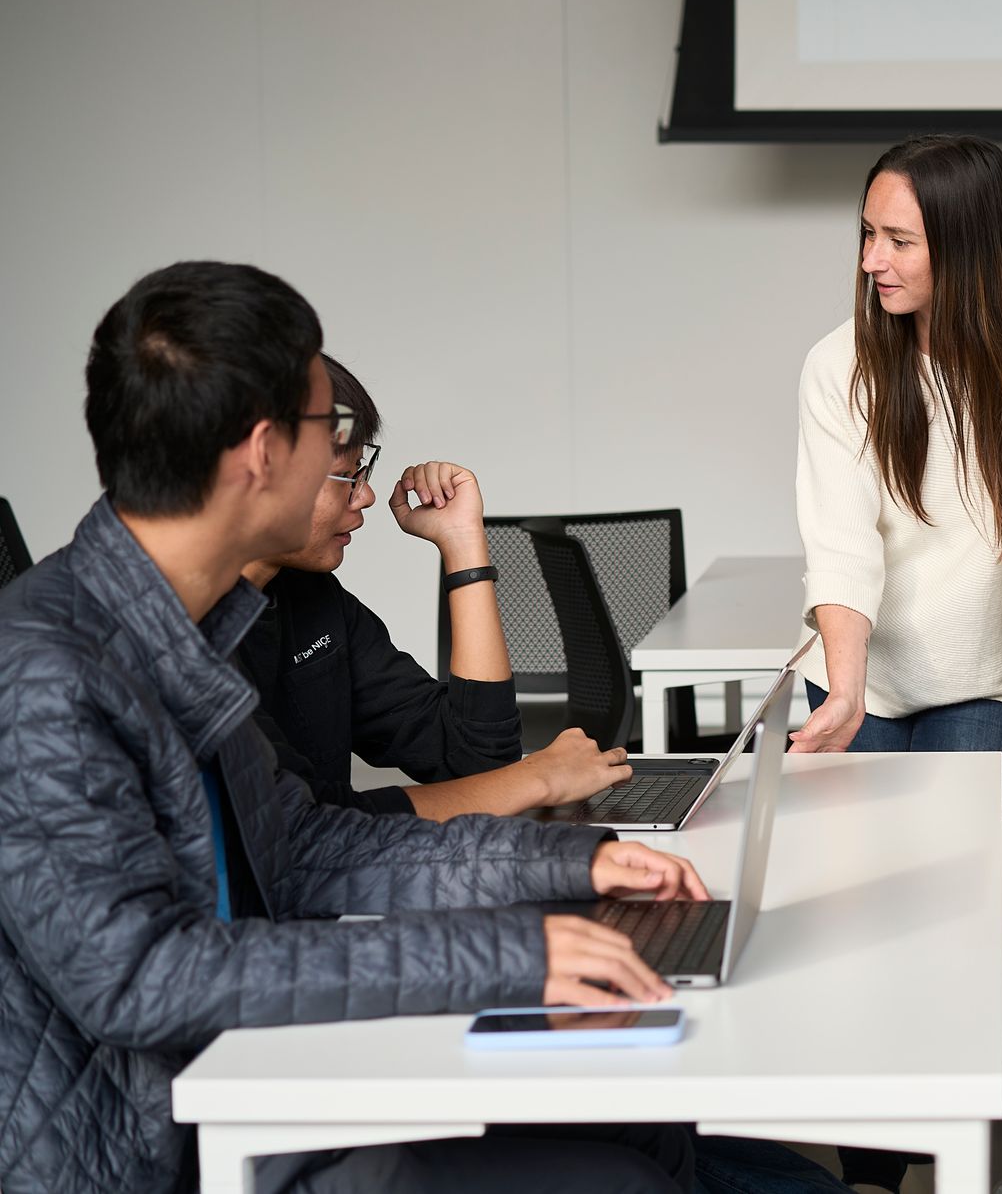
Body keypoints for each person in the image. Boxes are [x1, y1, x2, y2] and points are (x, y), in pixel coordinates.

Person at [0, 262, 845, 1194]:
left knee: (643, 1117)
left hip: (258, 1075)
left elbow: (310, 847)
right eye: (333, 433)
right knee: (621, 1177)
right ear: (261, 453)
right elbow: (140, 977)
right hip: (158, 1142)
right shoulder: (46, 669)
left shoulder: (191, 625)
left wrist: (571, 866)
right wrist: (507, 956)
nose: (353, 464)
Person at [789, 134, 1002, 782]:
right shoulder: (839, 363)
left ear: (969, 245)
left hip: (983, 679)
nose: (870, 260)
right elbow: (841, 543)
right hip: (864, 673)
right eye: (867, 233)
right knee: (861, 873)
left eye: (899, 240)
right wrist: (845, 689)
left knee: (956, 862)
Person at [236, 353, 631, 818]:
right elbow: (301, 825)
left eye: (364, 470)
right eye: (347, 475)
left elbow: (476, 757)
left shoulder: (311, 596)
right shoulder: (179, 636)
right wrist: (537, 778)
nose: (365, 495)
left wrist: (463, 545)